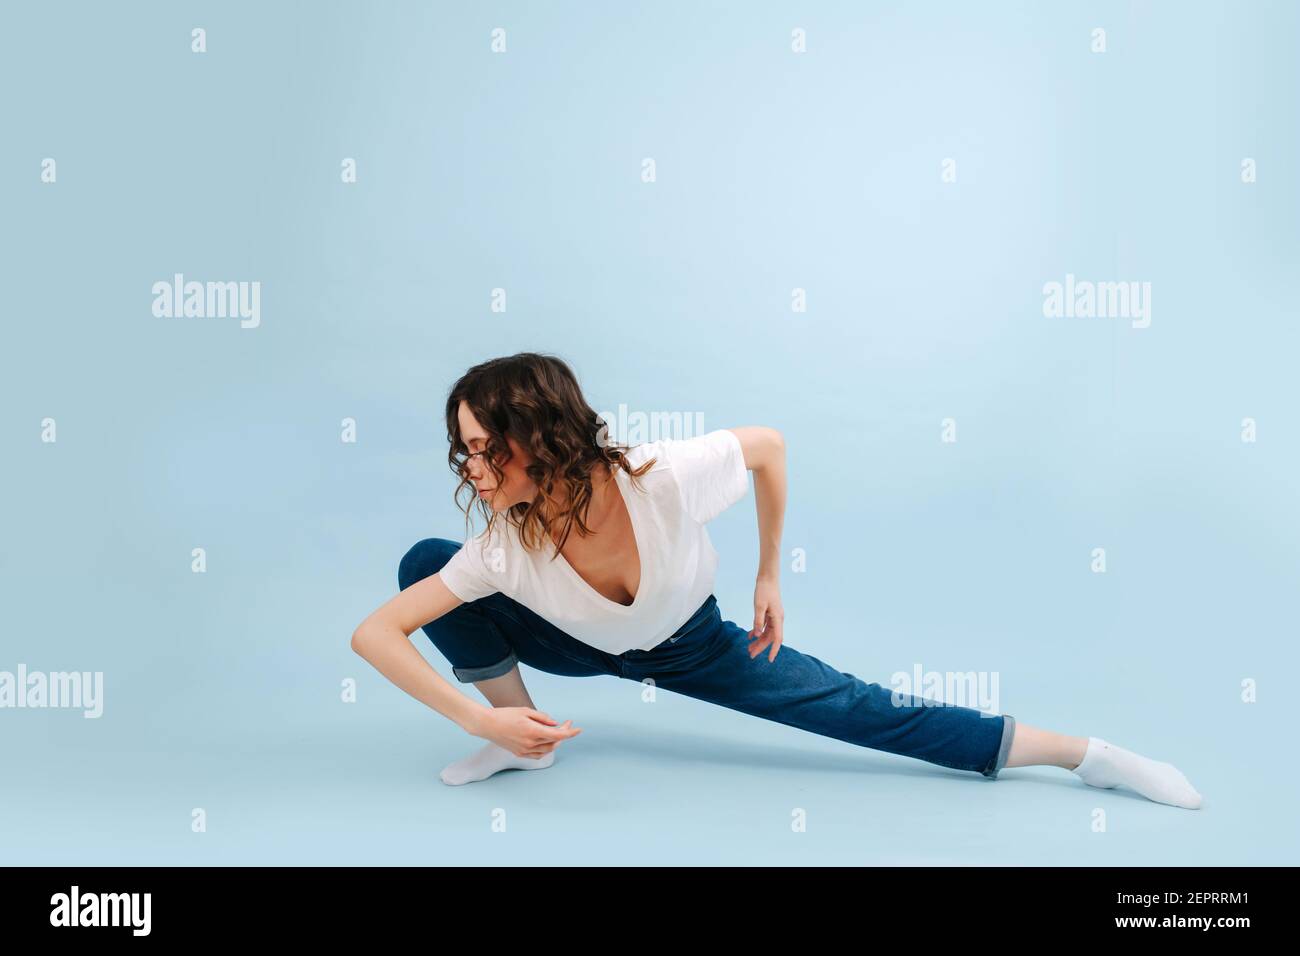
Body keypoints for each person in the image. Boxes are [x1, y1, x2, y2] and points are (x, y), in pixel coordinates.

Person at [351, 352, 1203, 809]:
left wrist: (769, 575)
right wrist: (478, 720)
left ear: (538, 433)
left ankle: (1083, 757)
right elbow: (374, 632)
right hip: (573, 649)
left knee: (863, 708)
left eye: (484, 445)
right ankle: (519, 737)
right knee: (427, 562)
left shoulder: (656, 474)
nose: (472, 465)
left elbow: (766, 446)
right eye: (462, 446)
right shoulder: (505, 544)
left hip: (692, 648)